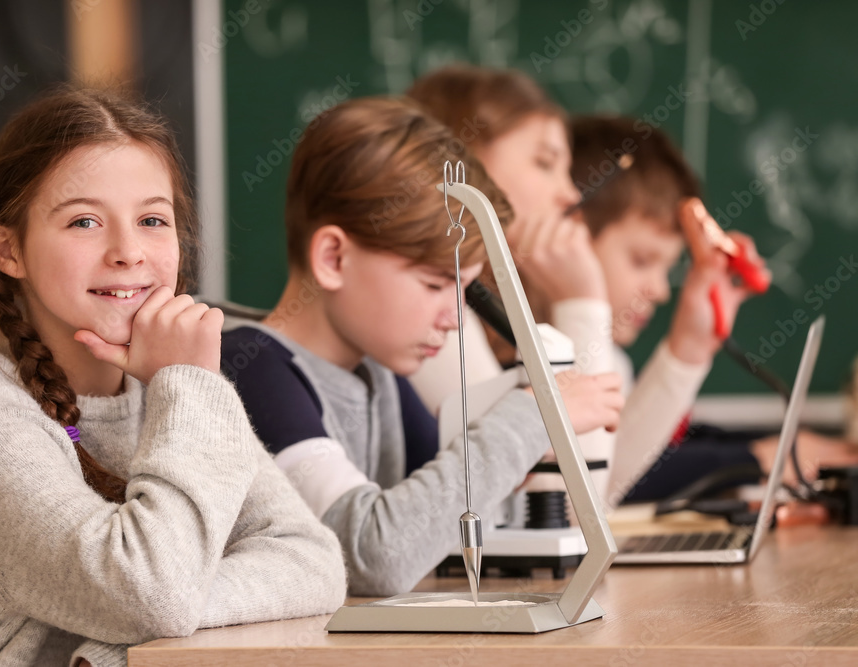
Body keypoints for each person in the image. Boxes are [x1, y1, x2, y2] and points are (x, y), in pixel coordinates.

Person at [0, 88, 346, 667]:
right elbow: (149, 592)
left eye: (152, 220)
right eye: (84, 221)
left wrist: (117, 642)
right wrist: (186, 383)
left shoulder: (179, 391)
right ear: (9, 249)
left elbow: (314, 561)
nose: (128, 251)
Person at [220, 97, 623, 596]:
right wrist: (532, 418)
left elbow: (439, 521)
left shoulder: (379, 378)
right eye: (435, 284)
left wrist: (508, 465)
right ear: (333, 257)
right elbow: (373, 555)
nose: (454, 319)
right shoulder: (248, 370)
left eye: (464, 291)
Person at [570, 115, 858, 501]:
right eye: (641, 259)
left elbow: (612, 474)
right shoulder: (515, 357)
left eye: (667, 268)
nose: (659, 291)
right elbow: (591, 492)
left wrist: (690, 344)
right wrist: (757, 455)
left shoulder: (609, 361)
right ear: (570, 236)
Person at [405, 64, 617, 498]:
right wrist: (583, 302)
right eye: (545, 163)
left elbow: (608, 486)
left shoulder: (485, 307)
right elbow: (565, 500)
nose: (571, 195)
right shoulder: (427, 307)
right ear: (462, 163)